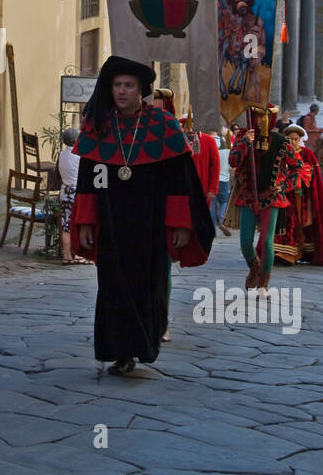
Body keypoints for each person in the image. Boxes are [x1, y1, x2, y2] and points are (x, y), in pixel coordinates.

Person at [71, 56, 214, 376]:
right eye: (117, 85)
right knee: (113, 289)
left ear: (141, 90)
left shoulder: (163, 125)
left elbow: (178, 179)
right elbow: (90, 182)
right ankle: (122, 352)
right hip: (111, 224)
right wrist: (86, 224)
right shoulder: (100, 126)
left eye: (128, 86)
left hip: (150, 224)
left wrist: (179, 224)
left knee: (150, 288)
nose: (121, 91)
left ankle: (145, 343)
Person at [229, 104, 303, 292]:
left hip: (271, 197)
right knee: (245, 242)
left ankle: (264, 283)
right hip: (248, 195)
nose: (260, 120)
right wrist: (245, 142)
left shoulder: (282, 141)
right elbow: (233, 161)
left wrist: (284, 185)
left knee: (267, 241)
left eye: (264, 117)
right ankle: (255, 267)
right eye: (257, 116)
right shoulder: (243, 137)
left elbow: (298, 167)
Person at [273, 124, 323, 267]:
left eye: (295, 139)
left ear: (300, 139)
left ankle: (298, 252)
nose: (293, 142)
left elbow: (313, 176)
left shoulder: (307, 153)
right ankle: (284, 252)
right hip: (284, 195)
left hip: (302, 196)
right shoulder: (281, 152)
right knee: (286, 223)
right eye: (290, 139)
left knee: (300, 223)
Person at [57, 127, 89, 266]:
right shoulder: (80, 156)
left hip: (65, 191)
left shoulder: (61, 154)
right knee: (80, 223)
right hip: (77, 192)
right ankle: (79, 256)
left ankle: (67, 255)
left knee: (66, 224)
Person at [214, 126, 233, 236]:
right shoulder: (228, 152)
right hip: (224, 180)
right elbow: (231, 166)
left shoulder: (215, 151)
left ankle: (212, 228)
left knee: (212, 204)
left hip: (215, 179)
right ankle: (222, 220)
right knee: (224, 201)